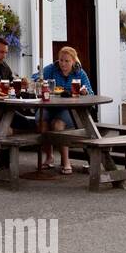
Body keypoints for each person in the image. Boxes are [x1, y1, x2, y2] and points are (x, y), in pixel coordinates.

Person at [39, 46, 94, 175]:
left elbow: (91, 92)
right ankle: (49, 156)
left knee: (58, 125)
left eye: (67, 61)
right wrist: (40, 81)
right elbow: (37, 77)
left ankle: (66, 161)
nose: (63, 63)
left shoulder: (79, 73)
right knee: (41, 120)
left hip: (69, 109)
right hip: (49, 106)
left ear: (74, 61)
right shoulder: (52, 68)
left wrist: (85, 92)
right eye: (61, 60)